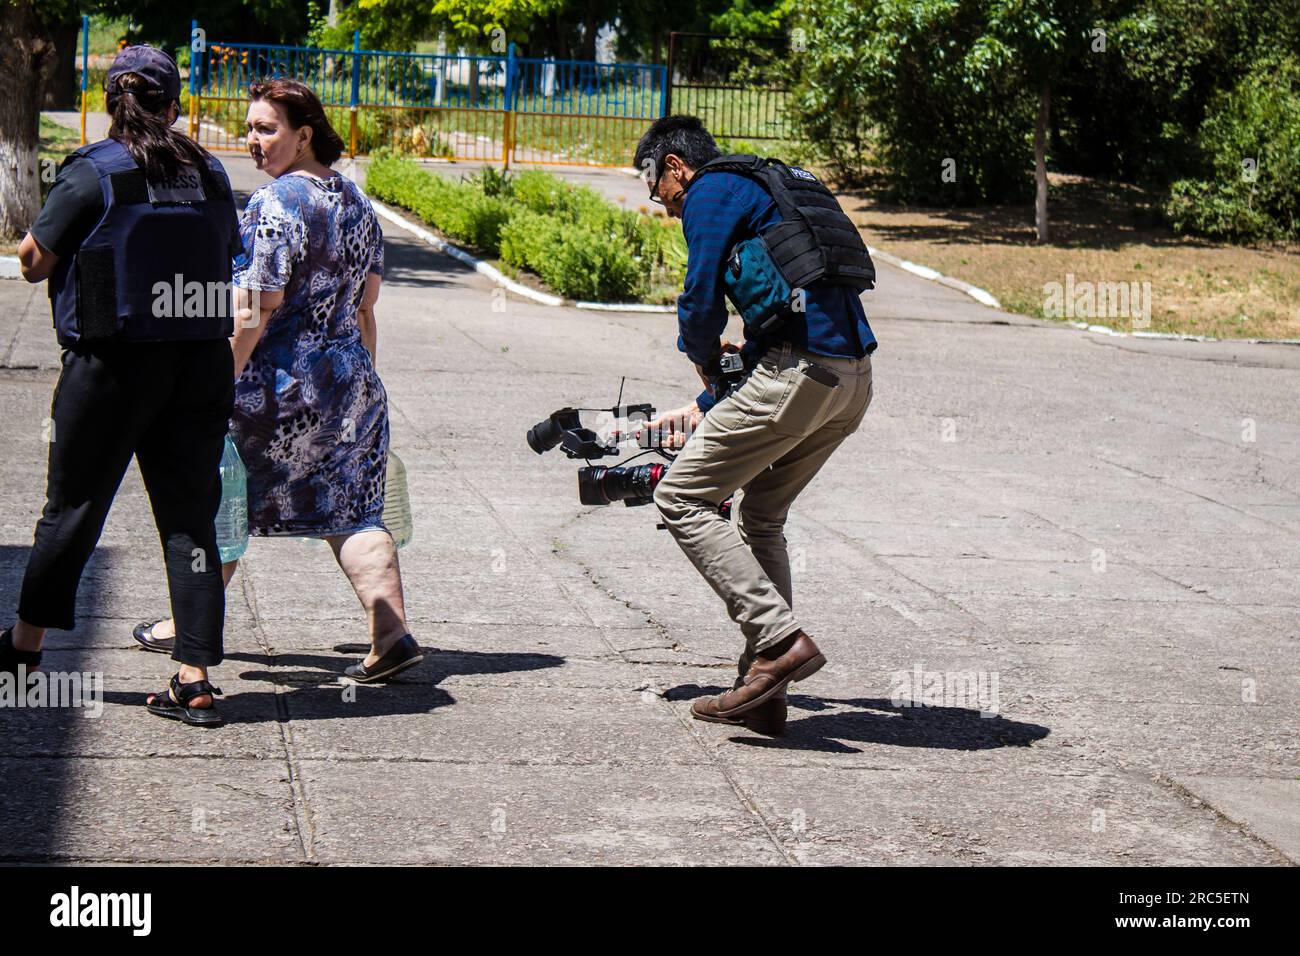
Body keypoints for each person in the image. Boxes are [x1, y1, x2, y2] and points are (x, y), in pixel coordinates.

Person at [134, 78, 422, 684]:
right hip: (349, 382)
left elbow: (255, 309)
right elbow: (368, 306)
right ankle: (390, 631)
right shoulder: (359, 202)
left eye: (266, 129)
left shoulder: (274, 206)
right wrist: (361, 382)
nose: (253, 141)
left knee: (219, 498)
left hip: (277, 390)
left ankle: (186, 629)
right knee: (352, 509)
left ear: (304, 134)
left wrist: (219, 382)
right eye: (249, 128)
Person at [1, 46, 240, 726]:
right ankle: (194, 677)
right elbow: (226, 252)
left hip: (110, 367)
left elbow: (31, 262)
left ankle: (23, 651)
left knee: (73, 508)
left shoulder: (92, 172)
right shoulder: (212, 171)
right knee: (192, 517)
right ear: (173, 107)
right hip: (197, 363)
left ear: (111, 105)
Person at [634, 115, 878, 736]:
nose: (660, 205)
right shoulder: (763, 184)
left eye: (655, 187)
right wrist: (714, 389)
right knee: (763, 515)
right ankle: (764, 690)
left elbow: (700, 297)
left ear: (675, 166)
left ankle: (778, 641)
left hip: (799, 375)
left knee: (682, 497)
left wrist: (700, 353)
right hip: (849, 381)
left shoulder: (711, 191)